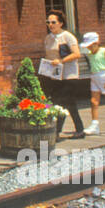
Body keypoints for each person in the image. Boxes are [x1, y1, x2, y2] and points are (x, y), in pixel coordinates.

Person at [41, 10, 87, 138]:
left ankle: (78, 130)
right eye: (48, 22)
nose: (50, 25)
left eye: (53, 22)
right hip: (55, 75)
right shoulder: (48, 38)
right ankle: (58, 131)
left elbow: (76, 54)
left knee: (68, 102)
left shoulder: (68, 36)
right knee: (57, 103)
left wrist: (61, 61)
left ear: (60, 23)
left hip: (68, 75)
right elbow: (49, 55)